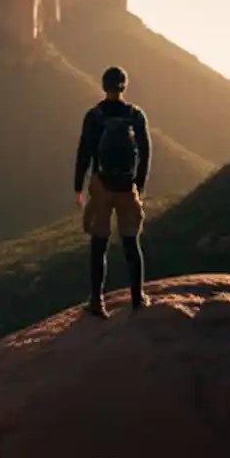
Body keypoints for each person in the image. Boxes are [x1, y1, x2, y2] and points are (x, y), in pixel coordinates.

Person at [74, 66, 151, 318]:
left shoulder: (94, 116)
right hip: (127, 187)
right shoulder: (135, 115)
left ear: (103, 85)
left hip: (101, 186)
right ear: (124, 86)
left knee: (99, 245)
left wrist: (78, 187)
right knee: (131, 242)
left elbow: (84, 152)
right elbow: (145, 152)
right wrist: (138, 184)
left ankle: (97, 302)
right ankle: (138, 298)